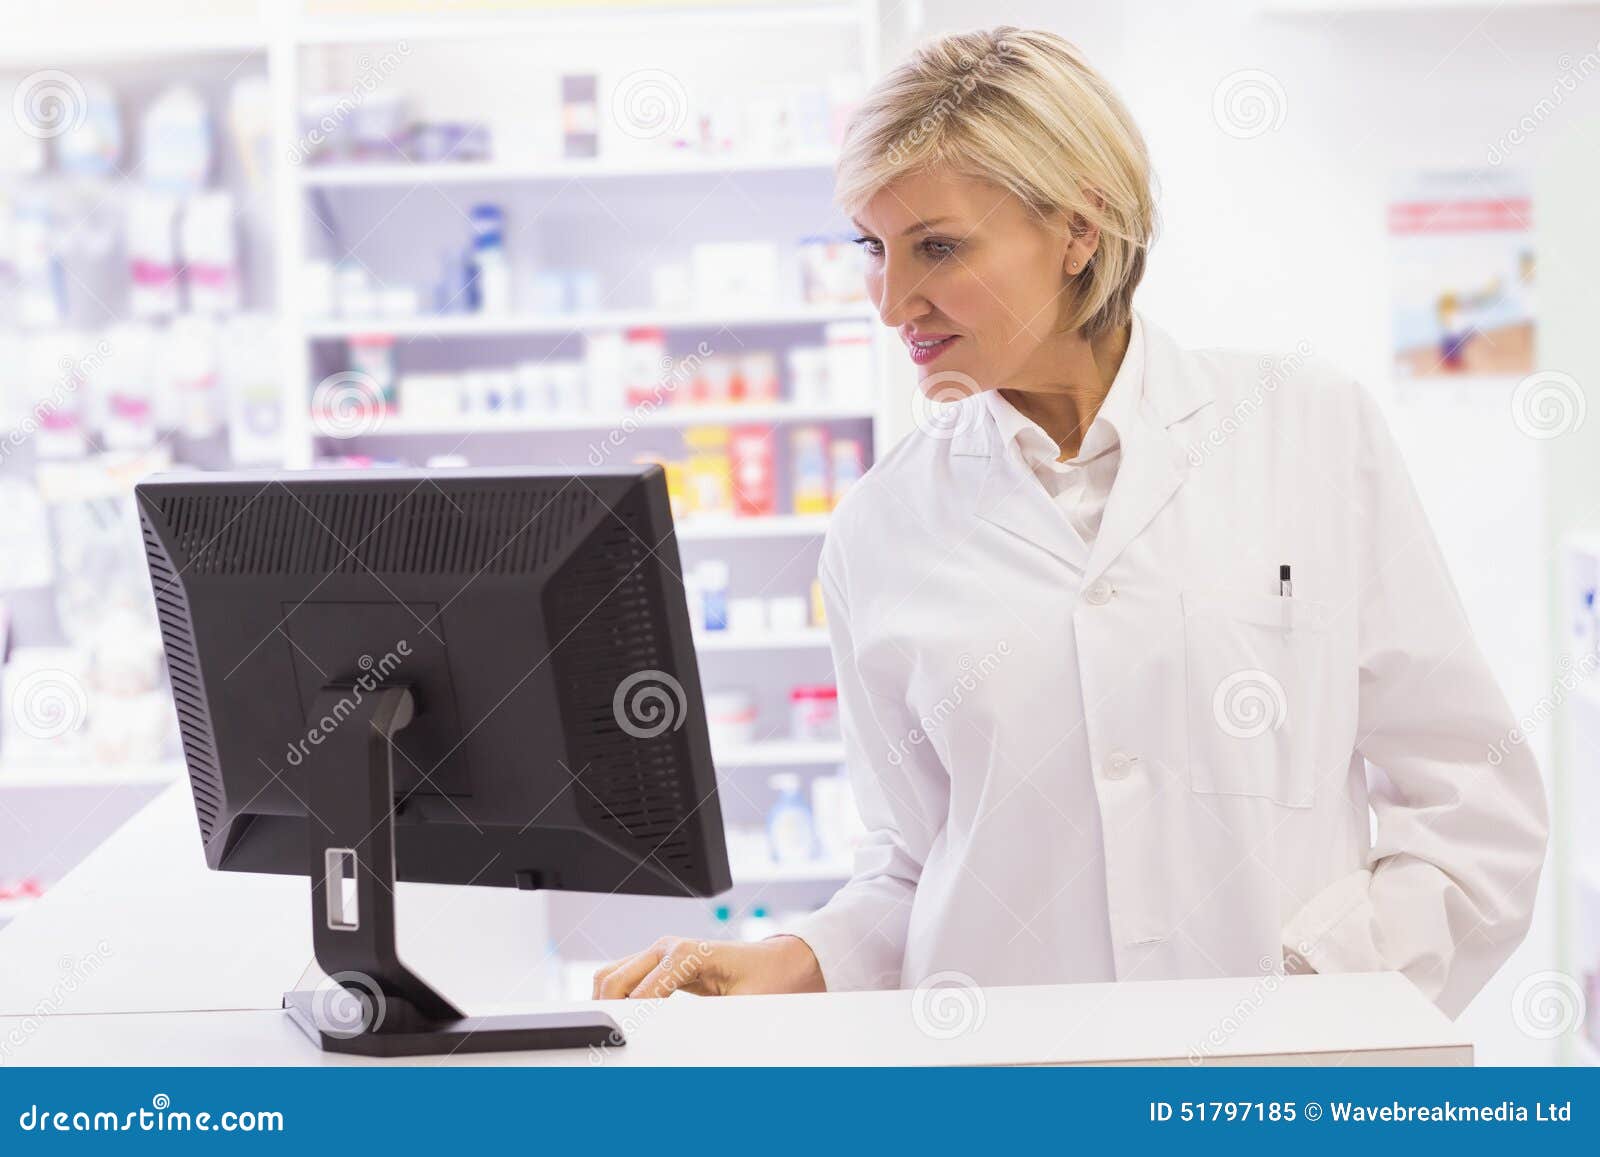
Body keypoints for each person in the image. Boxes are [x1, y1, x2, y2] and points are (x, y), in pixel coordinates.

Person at [593, 26, 1548, 1019]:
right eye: (872, 250)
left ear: (1080, 226)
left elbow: (1470, 801)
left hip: (1276, 1088)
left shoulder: (1304, 428)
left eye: (938, 247)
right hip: (1009, 1091)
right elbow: (911, 864)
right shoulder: (881, 526)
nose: (891, 303)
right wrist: (790, 956)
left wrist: (1318, 991)